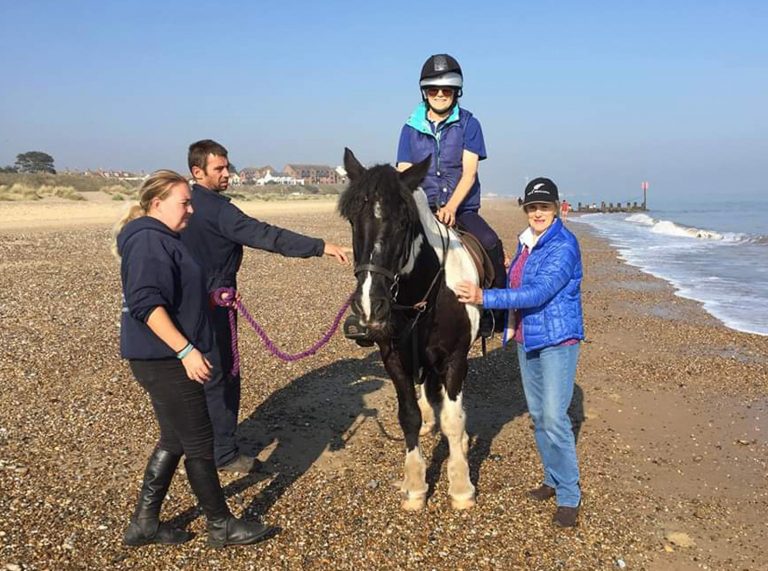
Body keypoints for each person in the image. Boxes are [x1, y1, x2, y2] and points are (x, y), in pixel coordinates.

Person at [115, 170, 275, 546]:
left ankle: (144, 525)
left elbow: (174, 296)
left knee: (174, 438)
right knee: (200, 442)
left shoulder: (164, 238)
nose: (190, 210)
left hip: (161, 355)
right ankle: (221, 525)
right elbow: (146, 304)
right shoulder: (149, 242)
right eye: (183, 203)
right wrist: (186, 351)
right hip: (162, 358)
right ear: (157, 203)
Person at [181, 139, 349, 473]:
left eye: (227, 166)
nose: (227, 173)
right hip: (212, 306)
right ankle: (222, 454)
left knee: (193, 378)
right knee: (222, 377)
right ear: (197, 172)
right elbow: (265, 235)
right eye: (219, 169)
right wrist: (320, 247)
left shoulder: (182, 203)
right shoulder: (217, 210)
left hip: (184, 304)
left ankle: (197, 449)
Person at [455, 177, 585, 527]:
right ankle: (551, 479)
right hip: (528, 338)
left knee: (556, 418)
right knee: (540, 416)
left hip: (558, 341)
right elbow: (519, 281)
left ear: (556, 208)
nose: (537, 212)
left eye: (544, 206)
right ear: (526, 210)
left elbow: (537, 294)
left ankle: (569, 495)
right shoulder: (528, 243)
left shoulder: (564, 245)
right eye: (532, 207)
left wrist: (484, 298)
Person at [396, 53, 506, 336]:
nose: (441, 94)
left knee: (490, 242)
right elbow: (405, 173)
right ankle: (377, 312)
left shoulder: (470, 124)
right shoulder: (409, 128)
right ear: (425, 91)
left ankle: (495, 314)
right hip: (423, 207)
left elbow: (469, 173)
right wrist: (420, 209)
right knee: (385, 245)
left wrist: (452, 207)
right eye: (434, 89)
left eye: (447, 89)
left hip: (462, 208)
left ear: (457, 91)